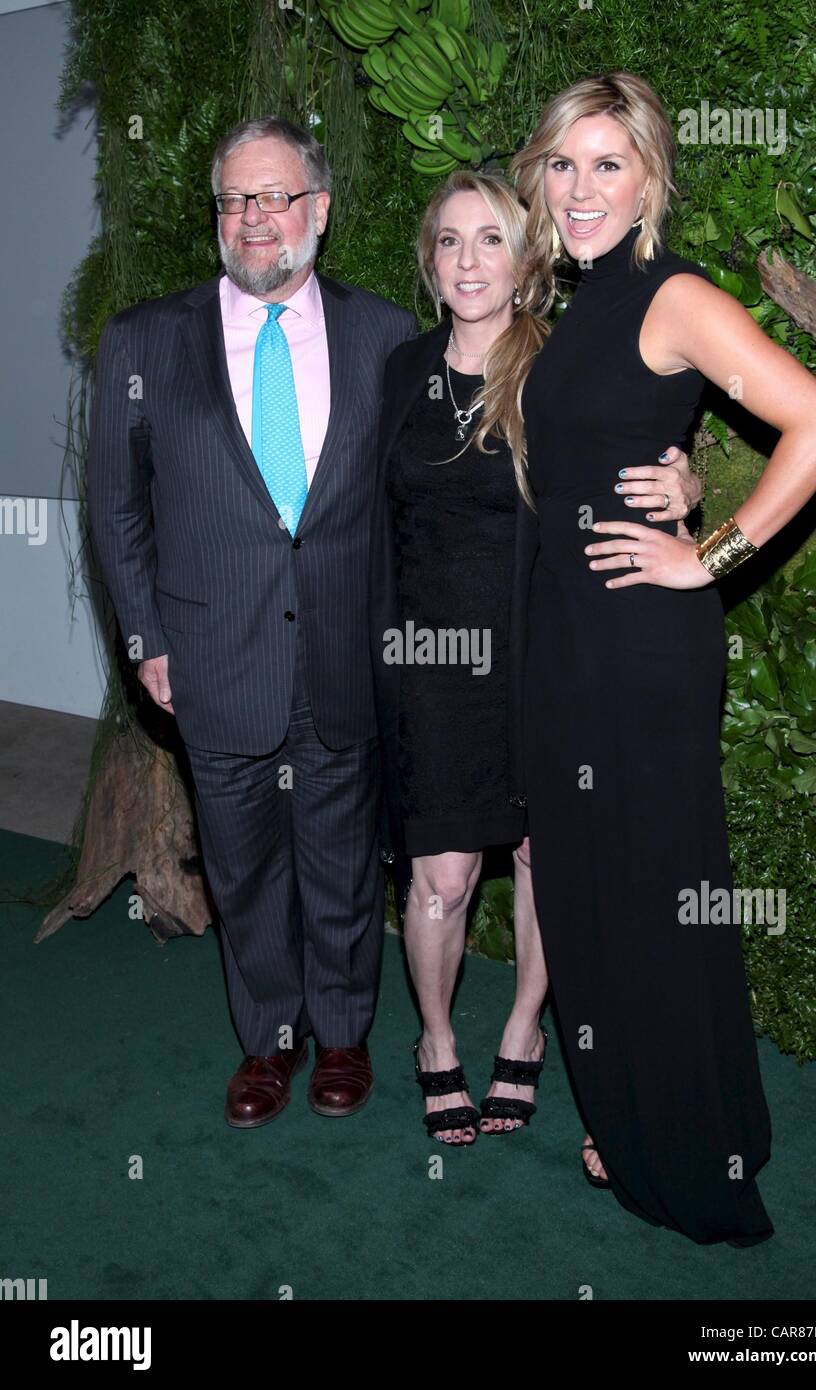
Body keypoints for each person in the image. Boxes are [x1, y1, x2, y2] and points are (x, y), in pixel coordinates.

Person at [511, 72, 816, 1243]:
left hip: (635, 644)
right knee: (604, 886)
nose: (582, 188)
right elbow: (627, 440)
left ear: (650, 176)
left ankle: (672, 1147)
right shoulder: (580, 307)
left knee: (641, 894)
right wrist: (689, 474)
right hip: (571, 632)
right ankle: (682, 1112)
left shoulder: (674, 295)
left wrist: (706, 555)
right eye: (563, 163)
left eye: (608, 163)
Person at [88, 117, 417, 1128]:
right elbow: (116, 507)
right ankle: (270, 1041)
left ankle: (346, 1032)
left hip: (344, 655)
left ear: (319, 209)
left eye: (276, 196)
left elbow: (423, 500)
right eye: (235, 199)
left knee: (342, 860)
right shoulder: (145, 339)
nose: (254, 218)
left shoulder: (386, 335)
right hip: (211, 664)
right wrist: (146, 642)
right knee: (244, 869)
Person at [370, 170, 703, 1143]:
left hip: (544, 654)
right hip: (428, 670)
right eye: (449, 241)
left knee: (544, 860)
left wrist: (685, 487)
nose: (470, 260)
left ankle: (525, 1028)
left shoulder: (560, 367)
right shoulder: (397, 372)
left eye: (492, 240)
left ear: (527, 261)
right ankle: (435, 1040)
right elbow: (360, 523)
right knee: (439, 878)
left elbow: (646, 449)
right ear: (429, 264)